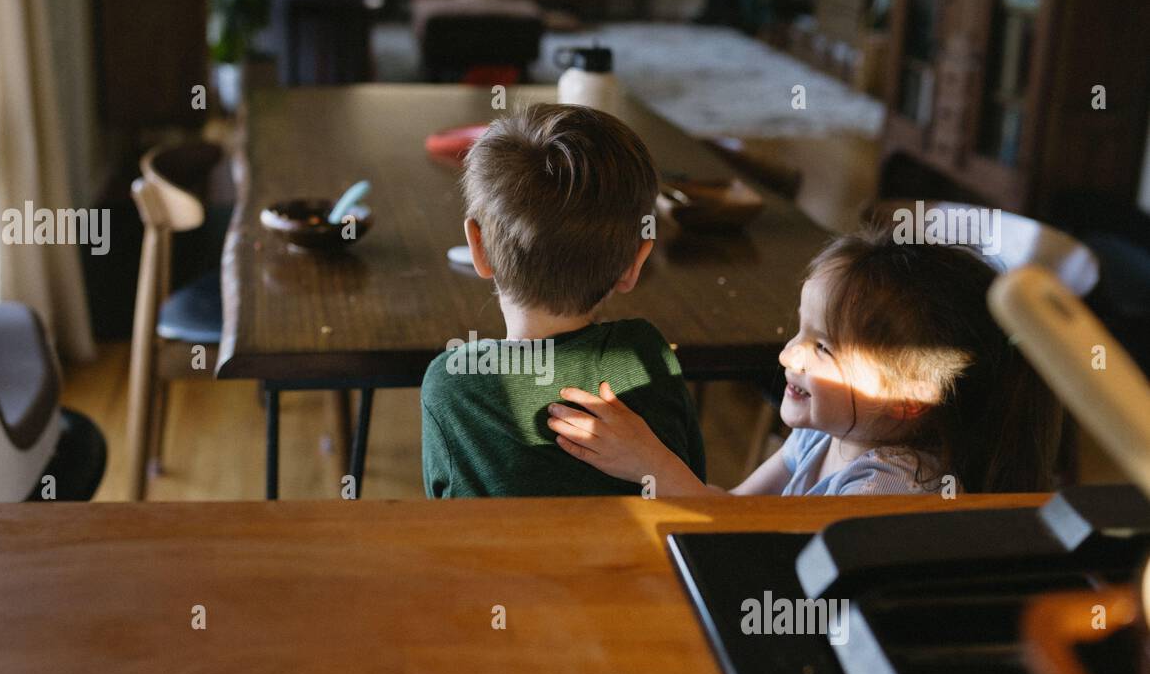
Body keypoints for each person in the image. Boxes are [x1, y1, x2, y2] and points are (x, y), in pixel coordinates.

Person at [547, 228, 1062, 495]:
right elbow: (739, 511)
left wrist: (651, 463)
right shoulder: (827, 432)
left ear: (909, 396)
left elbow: (740, 538)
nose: (788, 352)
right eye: (801, 330)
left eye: (823, 347)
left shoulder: (889, 488)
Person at [421, 103, 705, 497]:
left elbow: (444, 518)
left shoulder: (452, 382)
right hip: (644, 560)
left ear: (477, 247)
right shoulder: (646, 355)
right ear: (635, 263)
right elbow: (692, 486)